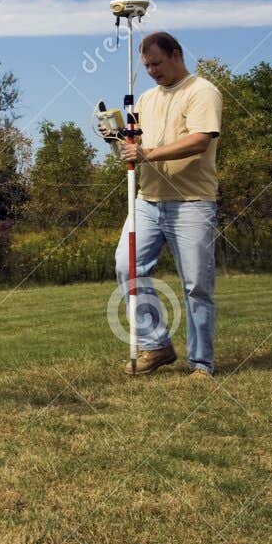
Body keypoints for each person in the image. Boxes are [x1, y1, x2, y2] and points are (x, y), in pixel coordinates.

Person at [116, 31, 222, 378]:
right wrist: (119, 138)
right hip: (147, 201)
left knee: (196, 284)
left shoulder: (202, 91)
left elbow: (200, 141)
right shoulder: (146, 99)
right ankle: (156, 344)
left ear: (176, 54)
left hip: (192, 203)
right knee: (127, 267)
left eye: (157, 63)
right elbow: (138, 143)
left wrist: (147, 153)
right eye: (146, 66)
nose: (152, 71)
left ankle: (201, 363)